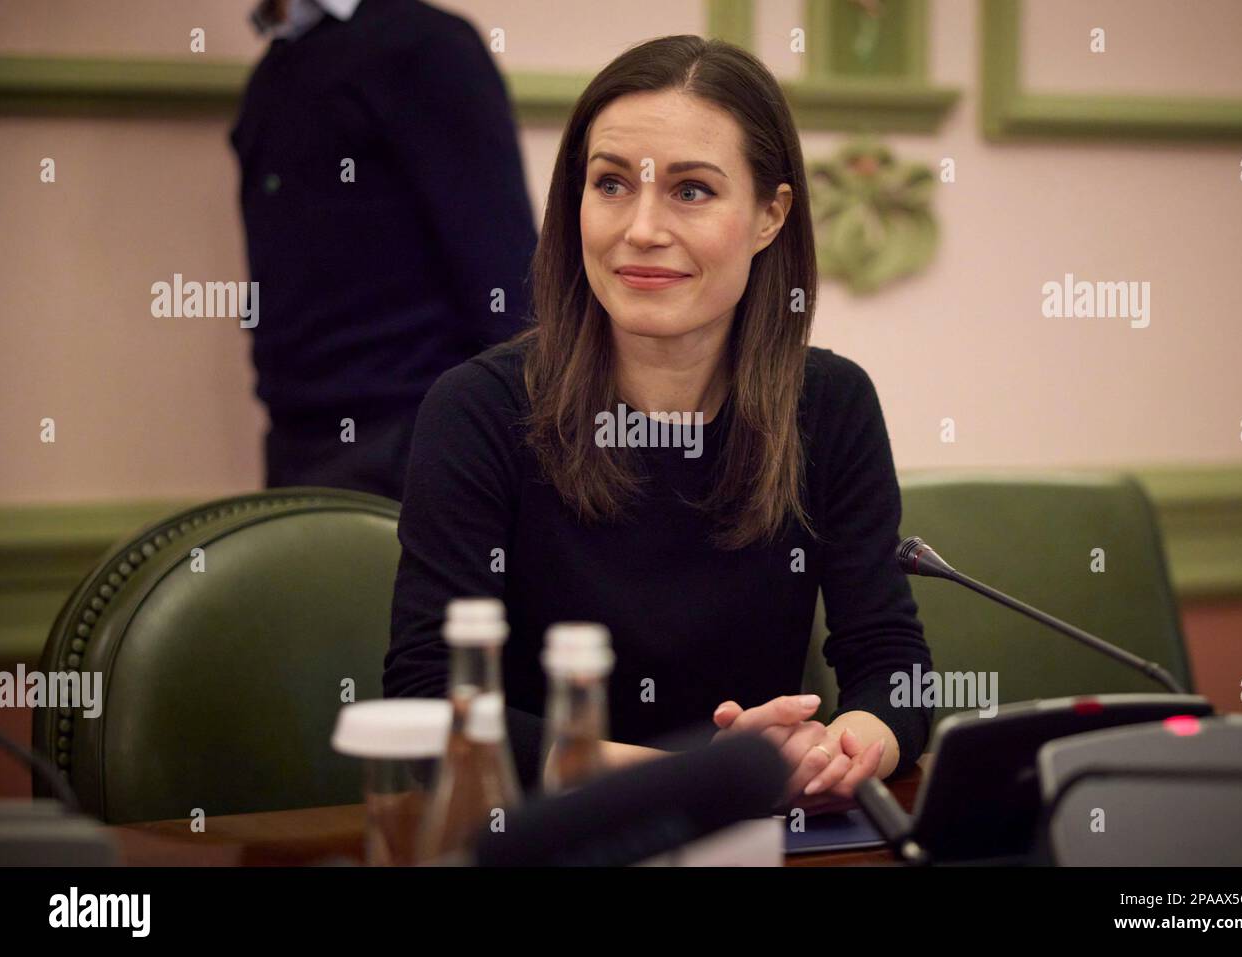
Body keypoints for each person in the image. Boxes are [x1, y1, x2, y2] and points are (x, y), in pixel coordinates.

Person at [385, 34, 933, 814]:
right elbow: (429, 708)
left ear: (771, 215)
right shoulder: (477, 410)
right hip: (543, 836)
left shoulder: (831, 404)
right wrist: (692, 778)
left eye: (691, 191)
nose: (641, 228)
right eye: (610, 183)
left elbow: (889, 661)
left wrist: (852, 742)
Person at [232, 0, 536, 501]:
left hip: (411, 441)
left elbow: (505, 279)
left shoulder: (426, 46)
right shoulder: (274, 67)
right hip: (295, 441)